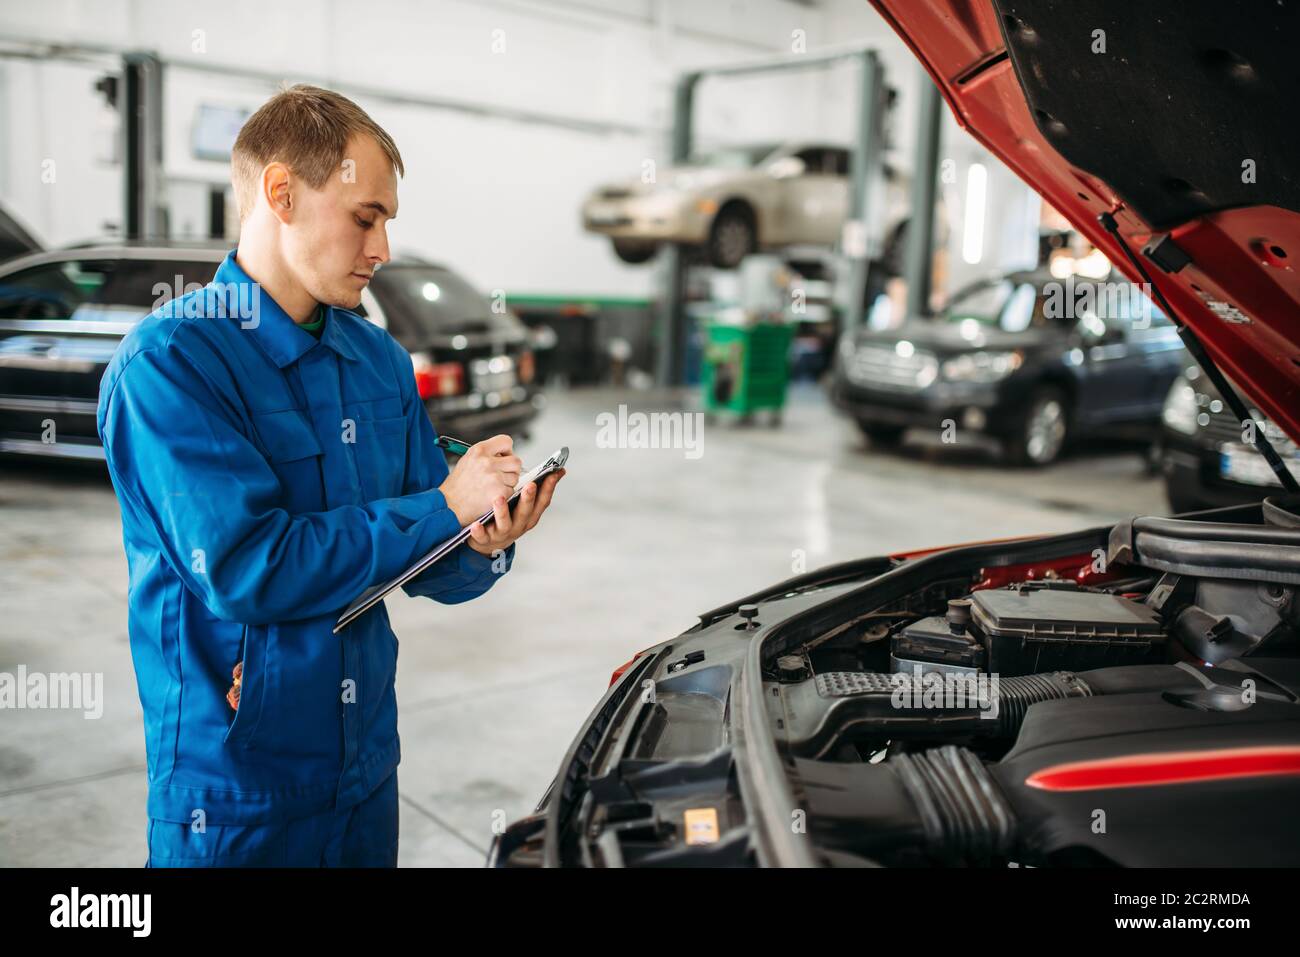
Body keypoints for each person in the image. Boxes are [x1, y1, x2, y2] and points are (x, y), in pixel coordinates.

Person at [97, 84, 563, 866]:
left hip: (365, 771)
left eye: (386, 222)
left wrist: (484, 535)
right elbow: (248, 568)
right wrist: (441, 506)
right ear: (282, 192)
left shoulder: (376, 359)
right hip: (237, 794)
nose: (382, 250)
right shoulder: (173, 364)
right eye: (364, 217)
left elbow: (428, 566)